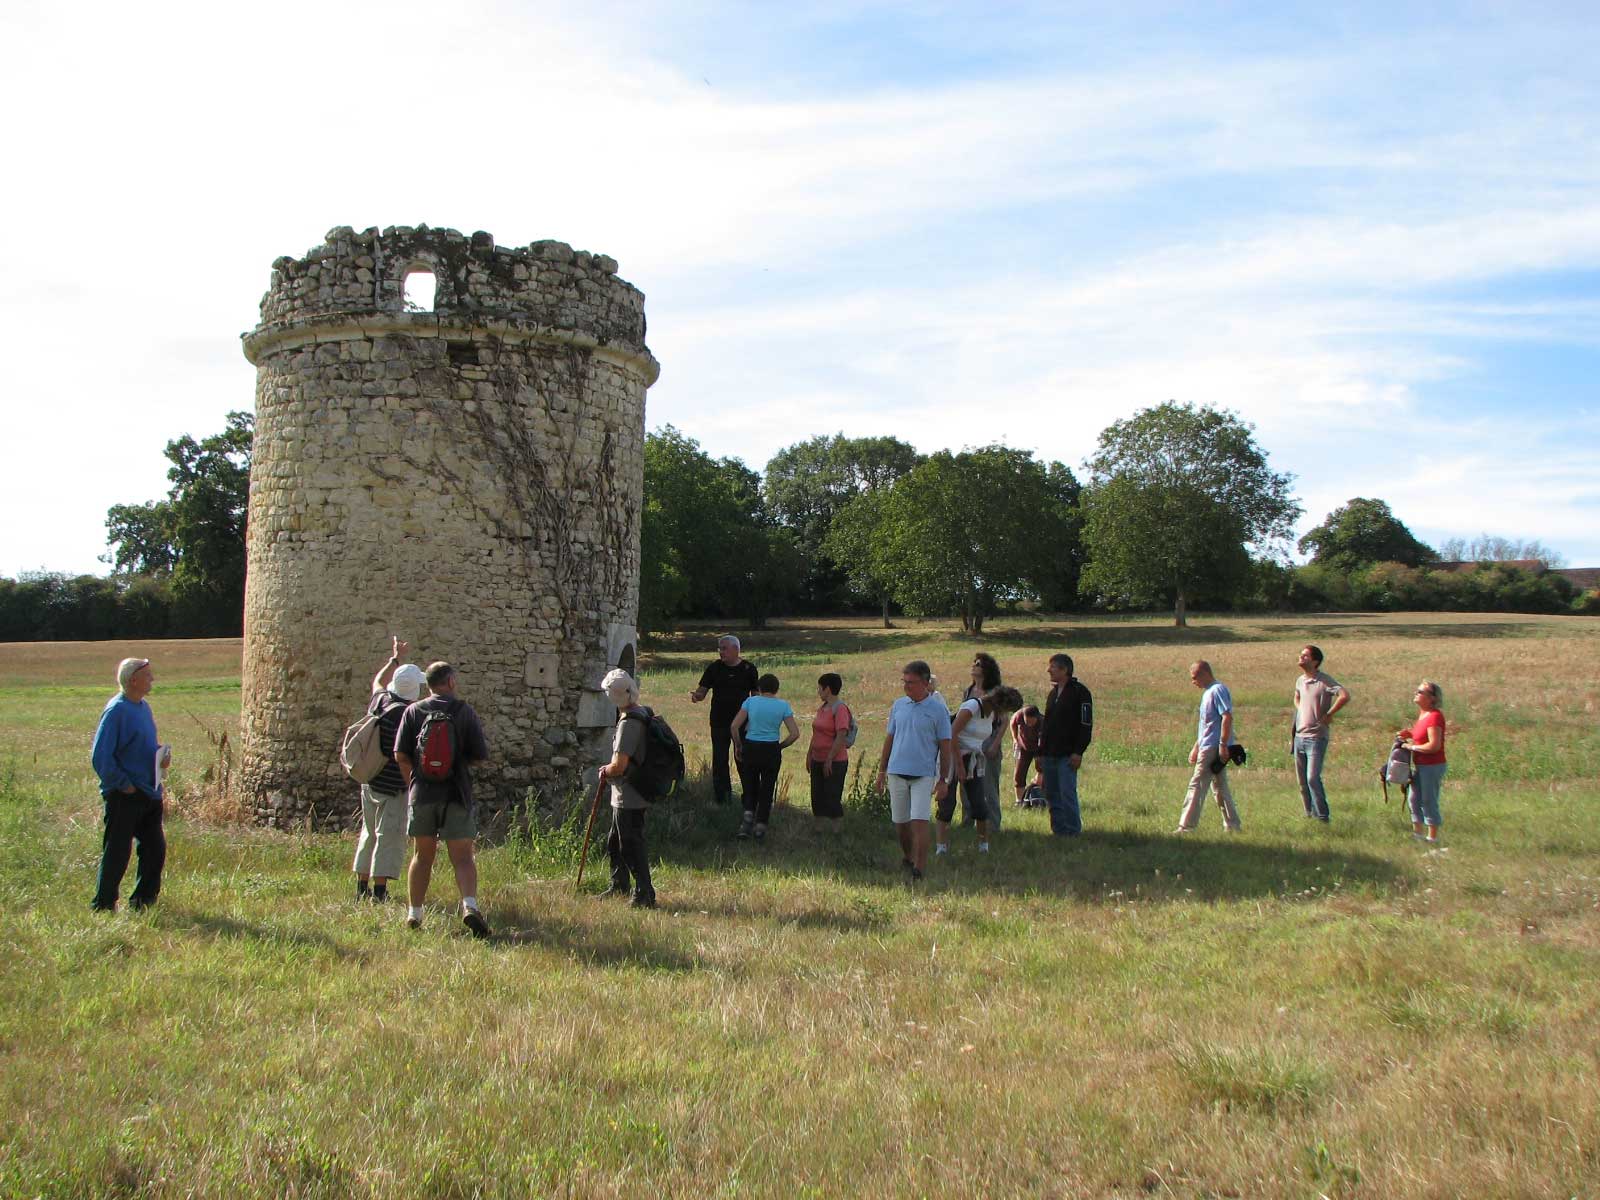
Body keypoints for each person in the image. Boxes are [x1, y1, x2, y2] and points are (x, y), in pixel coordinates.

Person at [393, 662, 491, 936]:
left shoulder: (413, 711)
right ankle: (469, 906)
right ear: (450, 682)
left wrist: (413, 782)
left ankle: (415, 913)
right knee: (462, 857)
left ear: (428, 684)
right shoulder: (463, 712)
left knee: (422, 856)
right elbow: (480, 756)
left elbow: (400, 755)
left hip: (422, 795)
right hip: (456, 794)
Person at [90, 657, 170, 912]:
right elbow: (101, 756)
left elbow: (144, 746)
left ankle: (143, 902)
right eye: (148, 675)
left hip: (149, 792)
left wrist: (161, 755)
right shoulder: (117, 711)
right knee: (117, 852)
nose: (152, 679)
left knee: (155, 850)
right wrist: (123, 785)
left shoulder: (143, 707)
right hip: (125, 795)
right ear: (133, 680)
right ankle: (103, 904)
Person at [351, 638, 426, 903]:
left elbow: (377, 681)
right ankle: (380, 892)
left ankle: (361, 887)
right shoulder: (410, 716)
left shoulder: (380, 701)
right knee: (389, 836)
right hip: (395, 786)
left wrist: (395, 659)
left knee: (368, 832)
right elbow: (407, 756)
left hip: (370, 781)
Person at [875, 660, 954, 880]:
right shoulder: (899, 705)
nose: (906, 686)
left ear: (926, 683)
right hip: (896, 771)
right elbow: (889, 739)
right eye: (904, 681)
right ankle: (908, 857)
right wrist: (881, 772)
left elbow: (945, 746)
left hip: (923, 774)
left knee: (919, 821)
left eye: (911, 682)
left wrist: (943, 779)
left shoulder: (938, 710)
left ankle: (919, 868)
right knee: (900, 823)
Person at [595, 668, 657, 907]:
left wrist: (605, 771)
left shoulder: (628, 723)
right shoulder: (642, 712)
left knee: (630, 843)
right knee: (615, 840)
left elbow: (620, 765)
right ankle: (619, 883)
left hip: (629, 794)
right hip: (629, 791)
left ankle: (645, 894)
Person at [937, 685, 1024, 855]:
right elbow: (951, 734)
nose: (1005, 714)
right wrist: (959, 766)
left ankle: (983, 846)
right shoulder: (972, 707)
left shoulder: (991, 713)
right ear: (999, 705)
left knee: (979, 804)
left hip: (974, 759)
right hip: (952, 756)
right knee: (947, 803)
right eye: (1006, 710)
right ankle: (941, 847)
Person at [688, 635, 759, 806]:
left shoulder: (749, 669)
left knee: (743, 758)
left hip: (742, 723)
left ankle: (749, 797)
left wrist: (753, 719)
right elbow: (703, 690)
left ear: (736, 649)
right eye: (720, 648)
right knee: (719, 760)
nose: (721, 652)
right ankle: (722, 798)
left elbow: (755, 697)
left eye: (724, 648)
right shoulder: (714, 668)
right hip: (719, 721)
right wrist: (697, 696)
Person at [729, 673, 800, 841]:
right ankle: (761, 826)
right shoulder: (783, 705)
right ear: (776, 689)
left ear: (759, 688)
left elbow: (734, 726)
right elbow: (795, 734)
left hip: (751, 747)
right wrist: (780, 746)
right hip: (771, 750)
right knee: (767, 788)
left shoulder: (751, 702)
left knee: (749, 784)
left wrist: (739, 745)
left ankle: (746, 820)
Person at [1176, 660, 1242, 833]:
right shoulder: (1207, 693)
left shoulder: (1218, 690)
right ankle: (1233, 826)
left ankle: (1186, 826)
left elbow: (1226, 717)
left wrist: (1223, 745)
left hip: (1214, 747)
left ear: (1205, 673)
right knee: (1220, 787)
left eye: (1195, 677)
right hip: (1206, 745)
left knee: (1197, 784)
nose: (1193, 682)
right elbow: (1207, 725)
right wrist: (1196, 747)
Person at [1293, 644, 1351, 823]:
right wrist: (1301, 709)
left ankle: (1323, 817)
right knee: (1302, 782)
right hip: (1299, 738)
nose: (1301, 658)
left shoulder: (1324, 680)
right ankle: (1309, 813)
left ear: (1315, 661)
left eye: (1305, 656)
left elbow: (1344, 695)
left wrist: (1329, 714)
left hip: (1317, 738)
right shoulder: (1300, 681)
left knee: (1312, 778)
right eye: (1301, 655)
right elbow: (1296, 697)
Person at [1039, 653, 1093, 836]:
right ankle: (1058, 831)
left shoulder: (1080, 692)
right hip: (1049, 754)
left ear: (1064, 670)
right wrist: (1040, 753)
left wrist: (1078, 752)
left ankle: (1072, 832)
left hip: (1068, 755)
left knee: (1067, 794)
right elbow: (1046, 725)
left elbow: (1086, 725)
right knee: (1052, 795)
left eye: (1052, 666)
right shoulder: (1052, 693)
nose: (1049, 670)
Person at [956, 653, 1004, 827]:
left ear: (986, 670)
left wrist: (995, 744)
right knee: (966, 786)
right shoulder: (968, 691)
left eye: (978, 664)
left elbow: (1003, 721)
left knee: (989, 787)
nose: (973, 666)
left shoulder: (994, 692)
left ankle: (993, 824)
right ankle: (967, 822)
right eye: (973, 663)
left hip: (988, 743)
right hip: (967, 746)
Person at [1399, 680, 1447, 846]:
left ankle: (1432, 837)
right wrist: (1409, 733)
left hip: (1432, 765)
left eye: (1420, 691)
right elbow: (1421, 735)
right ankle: (1417, 834)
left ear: (1431, 698)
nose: (1416, 693)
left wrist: (1412, 746)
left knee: (1428, 799)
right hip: (1420, 764)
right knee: (1414, 798)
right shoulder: (1423, 715)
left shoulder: (1435, 716)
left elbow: (1434, 745)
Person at [808, 672, 853, 834]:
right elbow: (816, 734)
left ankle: (836, 831)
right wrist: (809, 755)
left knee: (832, 796)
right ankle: (818, 829)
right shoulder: (822, 708)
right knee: (817, 795)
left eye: (820, 688)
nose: (818, 691)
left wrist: (829, 760)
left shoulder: (840, 709)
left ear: (828, 689)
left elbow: (841, 735)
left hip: (835, 761)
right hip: (817, 758)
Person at [1010, 705, 1044, 806]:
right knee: (1019, 774)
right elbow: (1013, 724)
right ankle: (1019, 801)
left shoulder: (1043, 723)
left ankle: (1038, 797)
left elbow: (1042, 743)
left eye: (1031, 722)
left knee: (1042, 772)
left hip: (1039, 749)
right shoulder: (1019, 715)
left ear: (1036, 717)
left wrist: (1039, 758)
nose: (1028, 724)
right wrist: (1015, 739)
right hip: (1023, 747)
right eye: (1026, 721)